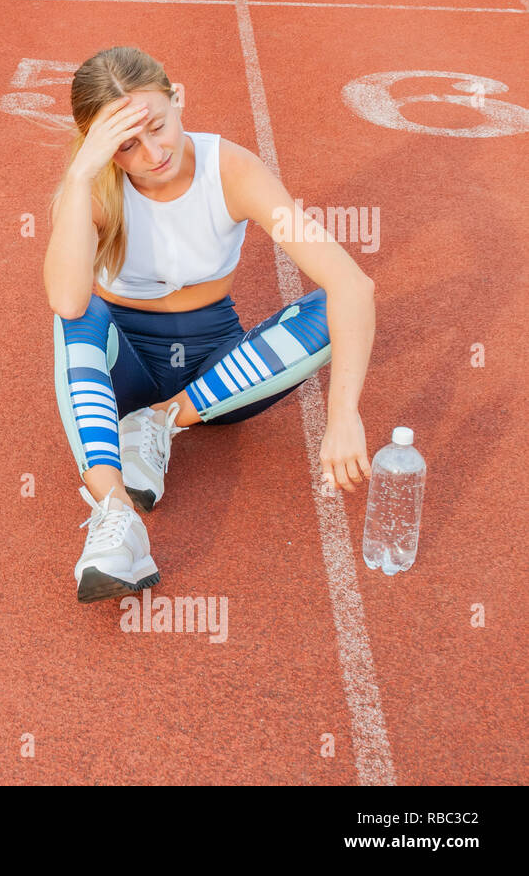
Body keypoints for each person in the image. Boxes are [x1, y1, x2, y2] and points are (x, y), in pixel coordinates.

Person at [44, 46, 376, 604]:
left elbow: (352, 285)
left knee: (329, 311)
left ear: (179, 101)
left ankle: (162, 420)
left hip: (217, 375)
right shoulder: (93, 189)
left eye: (157, 126)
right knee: (77, 315)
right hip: (124, 360)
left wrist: (343, 415)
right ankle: (116, 515)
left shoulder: (234, 170)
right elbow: (66, 297)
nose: (152, 153)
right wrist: (80, 175)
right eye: (125, 145)